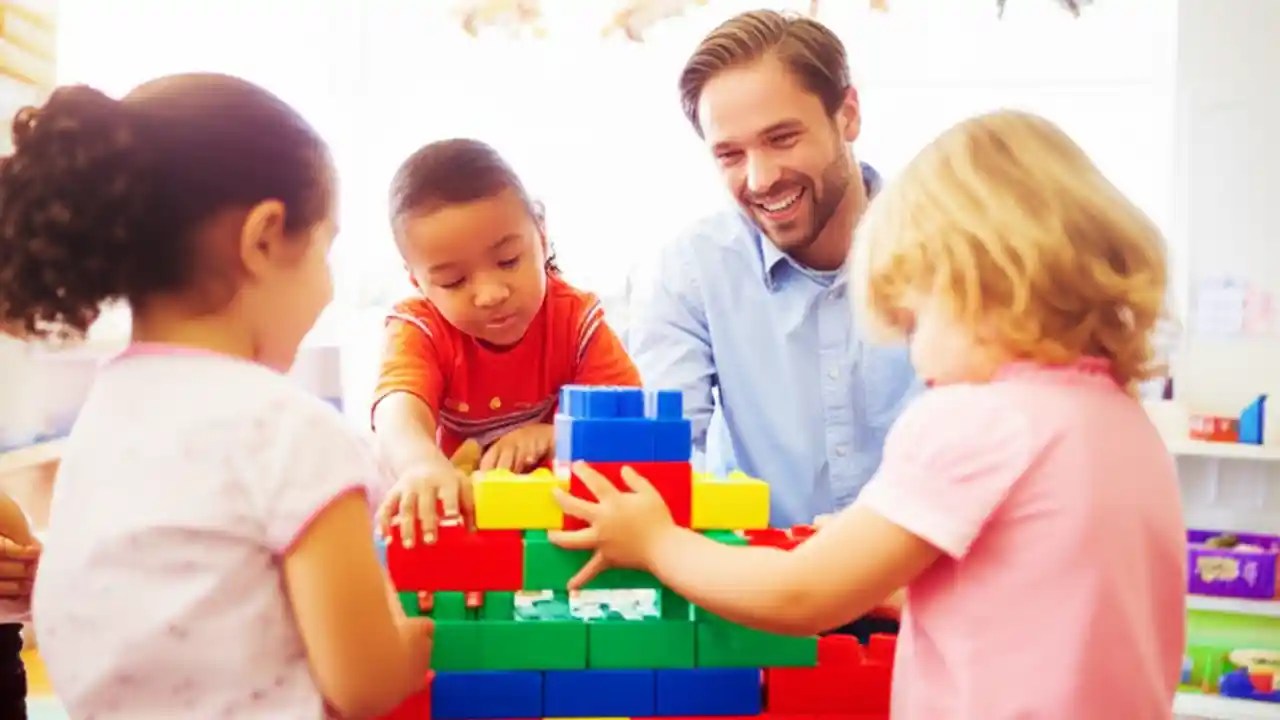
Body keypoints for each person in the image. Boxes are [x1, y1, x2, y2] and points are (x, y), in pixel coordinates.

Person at [550, 110, 1186, 719]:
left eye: (911, 319)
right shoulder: (1124, 426)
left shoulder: (975, 420)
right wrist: (890, 585)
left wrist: (656, 541)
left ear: (979, 284)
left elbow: (800, 594)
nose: (915, 351)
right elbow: (1044, 609)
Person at [1, 74, 433, 719]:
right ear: (264, 238)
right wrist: (418, 638)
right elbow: (363, 683)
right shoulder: (290, 430)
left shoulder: (106, 416)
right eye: (324, 247)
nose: (327, 285)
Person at [628, 10, 919, 534]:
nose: (760, 179)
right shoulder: (690, 271)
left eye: (782, 138)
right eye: (730, 155)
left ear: (848, 114)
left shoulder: (953, 250)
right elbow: (660, 459)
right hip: (759, 589)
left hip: (933, 590)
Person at [372, 138, 639, 547]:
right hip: (468, 529)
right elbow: (397, 415)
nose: (491, 293)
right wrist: (421, 465)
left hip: (563, 529)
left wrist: (555, 436)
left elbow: (630, 424)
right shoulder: (419, 327)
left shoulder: (576, 319)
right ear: (418, 281)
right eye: (453, 281)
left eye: (509, 260)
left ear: (542, 234)